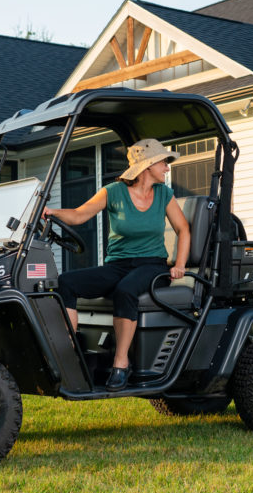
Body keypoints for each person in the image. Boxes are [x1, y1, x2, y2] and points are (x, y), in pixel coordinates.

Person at [44, 139, 191, 391]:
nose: (167, 168)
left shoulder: (164, 194)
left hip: (153, 266)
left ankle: (120, 363)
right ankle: (70, 350)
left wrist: (179, 265)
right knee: (66, 282)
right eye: (163, 162)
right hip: (118, 265)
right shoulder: (113, 192)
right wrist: (51, 212)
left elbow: (183, 229)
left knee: (125, 290)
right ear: (148, 166)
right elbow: (79, 215)